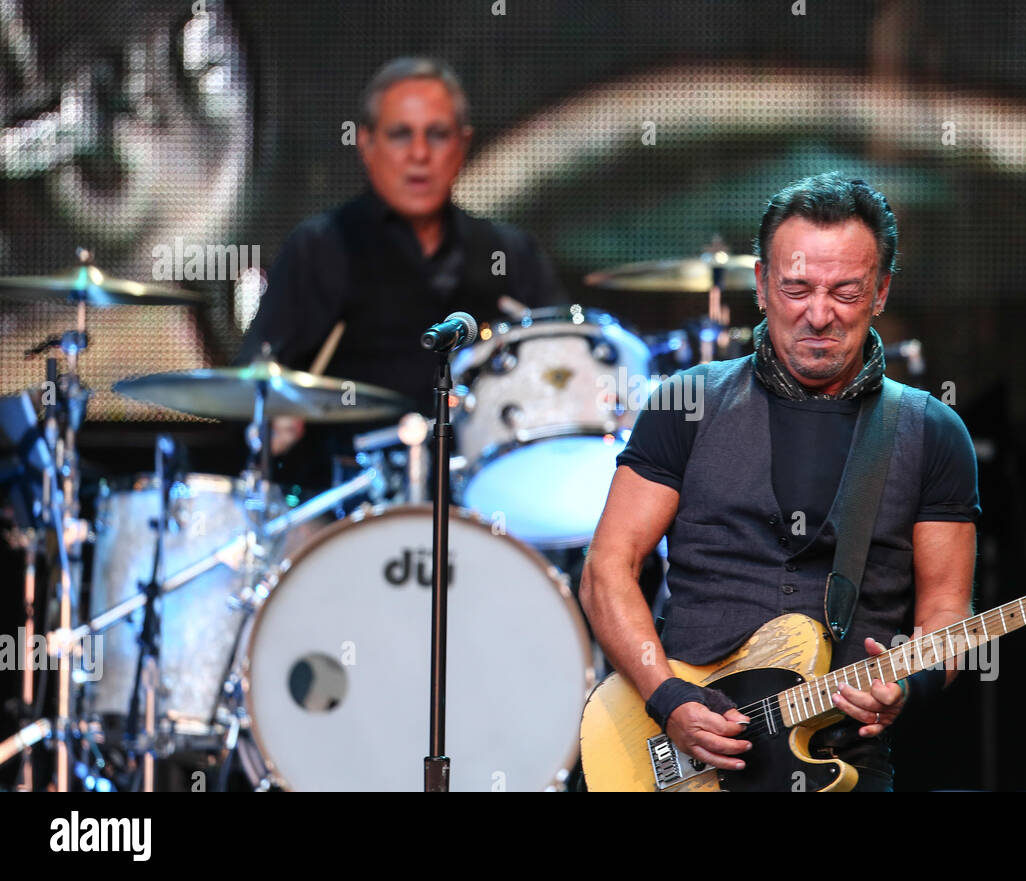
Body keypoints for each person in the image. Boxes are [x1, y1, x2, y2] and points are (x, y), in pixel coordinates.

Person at [579, 172, 980, 791]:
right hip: (676, 741)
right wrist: (666, 696)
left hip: (841, 758)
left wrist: (907, 685)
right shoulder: (688, 402)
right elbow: (608, 566)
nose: (818, 314)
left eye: (845, 290)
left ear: (880, 291)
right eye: (796, 288)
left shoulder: (931, 431)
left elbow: (948, 614)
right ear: (762, 286)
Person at [236, 57, 561, 486]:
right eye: (400, 135)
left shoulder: (510, 252)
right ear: (366, 143)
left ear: (463, 144)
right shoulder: (320, 247)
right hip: (347, 502)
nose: (420, 154)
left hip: (489, 499)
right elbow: (254, 380)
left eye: (438, 135)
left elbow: (564, 365)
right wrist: (269, 418)